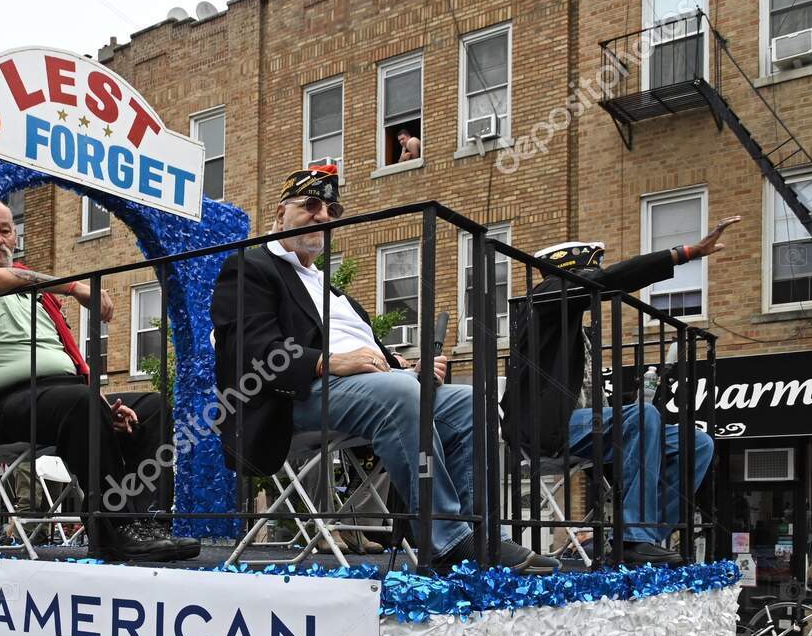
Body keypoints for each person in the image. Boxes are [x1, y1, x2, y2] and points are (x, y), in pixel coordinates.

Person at [210, 165, 556, 574]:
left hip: (365, 392)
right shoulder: (252, 267)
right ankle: (444, 538)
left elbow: (370, 354)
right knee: (401, 394)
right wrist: (328, 362)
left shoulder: (334, 292)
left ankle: (476, 533)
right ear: (280, 213)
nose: (323, 215)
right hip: (294, 399)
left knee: (470, 402)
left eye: (332, 210)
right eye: (311, 205)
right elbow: (248, 351)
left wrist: (409, 365)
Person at [0, 197, 199, 563]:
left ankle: (146, 523)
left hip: (66, 397)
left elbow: (70, 364)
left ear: (15, 237)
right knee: (79, 403)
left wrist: (108, 405)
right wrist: (75, 287)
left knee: (151, 407)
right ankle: (114, 529)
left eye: (5, 230)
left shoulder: (38, 299)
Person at [501, 218, 737, 563]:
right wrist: (683, 254)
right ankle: (632, 536)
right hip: (542, 433)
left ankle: (646, 538)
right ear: (568, 274)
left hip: (581, 429)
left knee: (696, 443)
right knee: (642, 417)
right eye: (591, 273)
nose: (598, 283)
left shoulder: (576, 332)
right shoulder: (544, 300)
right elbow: (609, 280)